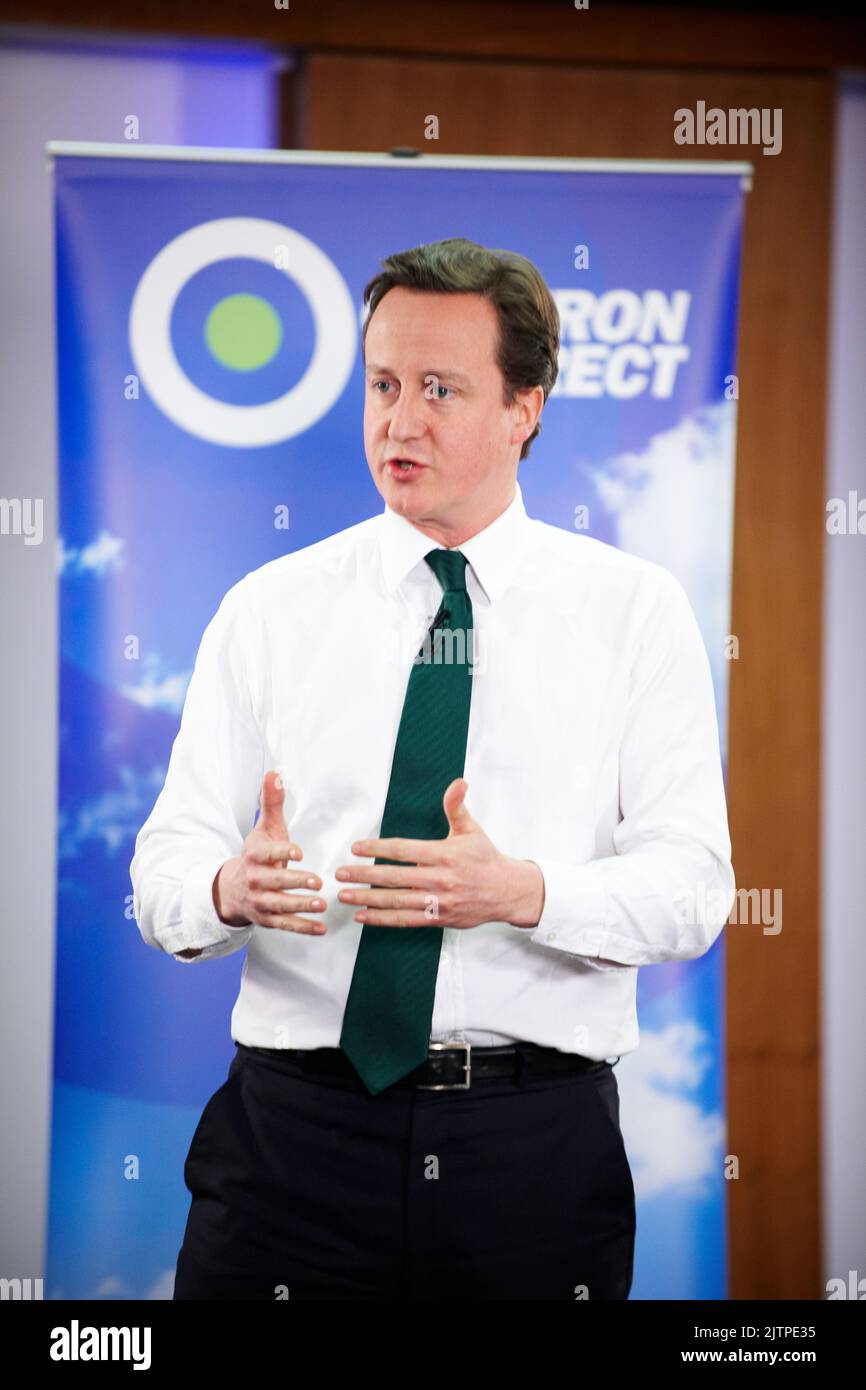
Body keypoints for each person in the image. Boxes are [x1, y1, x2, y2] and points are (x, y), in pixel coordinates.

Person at [130, 236, 735, 1301]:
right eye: (381, 384)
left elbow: (692, 888)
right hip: (289, 1147)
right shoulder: (268, 609)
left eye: (440, 389)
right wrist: (226, 887)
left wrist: (522, 892)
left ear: (526, 406)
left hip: (528, 1153)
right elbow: (164, 864)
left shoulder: (631, 612)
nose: (397, 421)